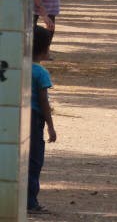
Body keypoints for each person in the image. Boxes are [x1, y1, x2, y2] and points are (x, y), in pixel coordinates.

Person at [28, 25, 57, 214]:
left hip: (19, 116)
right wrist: (51, 126)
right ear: (44, 49)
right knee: (34, 160)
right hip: (34, 120)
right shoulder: (40, 73)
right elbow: (43, 101)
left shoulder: (18, 67)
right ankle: (30, 201)